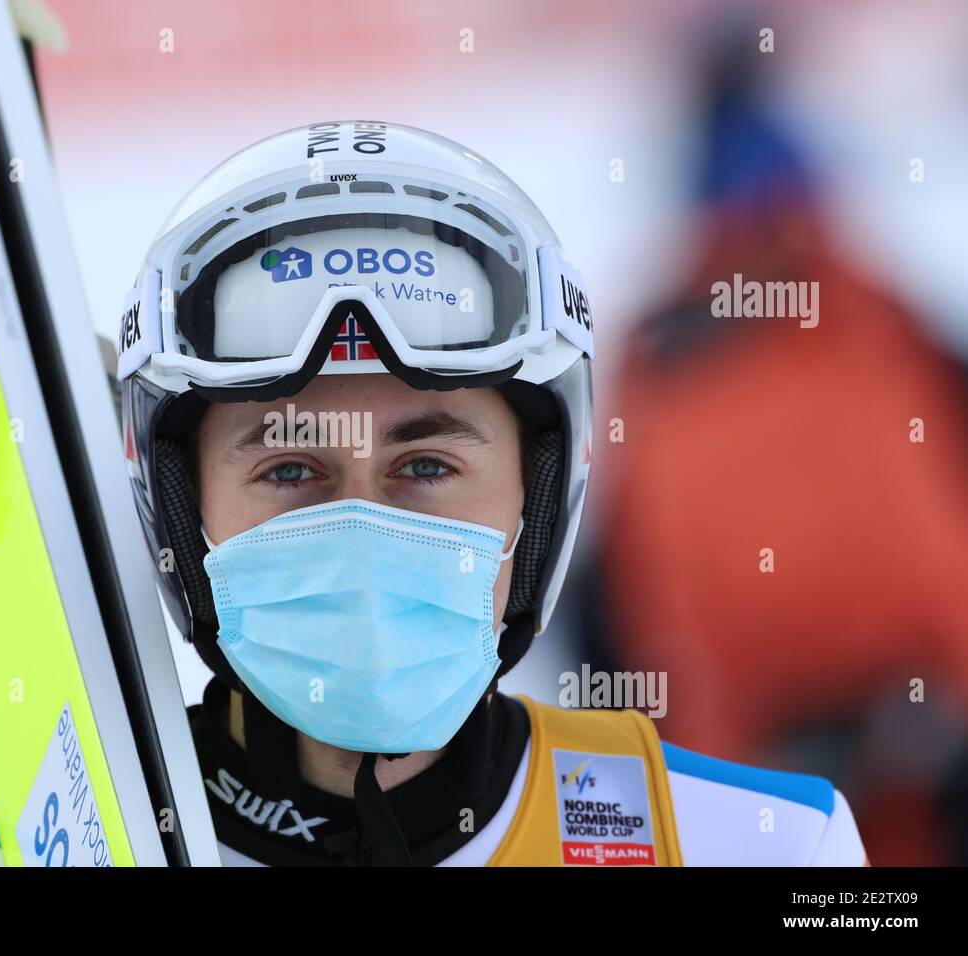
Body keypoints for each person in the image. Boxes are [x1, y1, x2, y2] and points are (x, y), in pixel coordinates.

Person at [116, 121, 867, 866]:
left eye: (426, 465)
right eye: (288, 471)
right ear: (183, 515)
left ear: (532, 501)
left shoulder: (770, 846)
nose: (364, 532)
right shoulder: (47, 840)